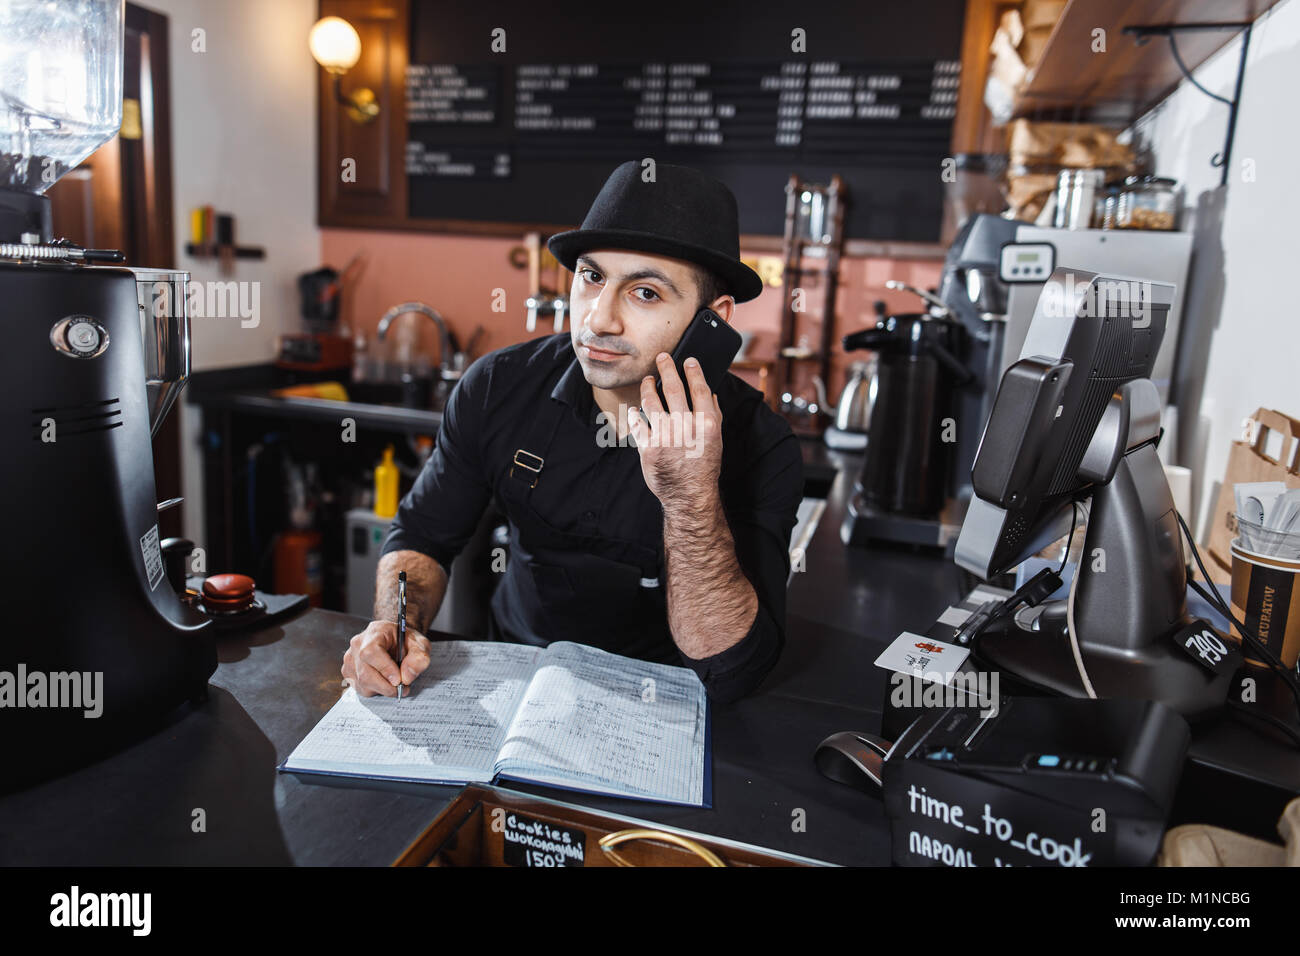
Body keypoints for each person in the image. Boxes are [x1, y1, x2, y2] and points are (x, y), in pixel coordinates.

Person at [341, 160, 804, 703]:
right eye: (592, 277)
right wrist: (398, 624)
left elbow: (732, 669)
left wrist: (689, 497)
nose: (598, 319)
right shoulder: (497, 387)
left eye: (646, 293)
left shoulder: (762, 445)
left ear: (715, 320)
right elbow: (422, 536)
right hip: (515, 681)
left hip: (662, 705)